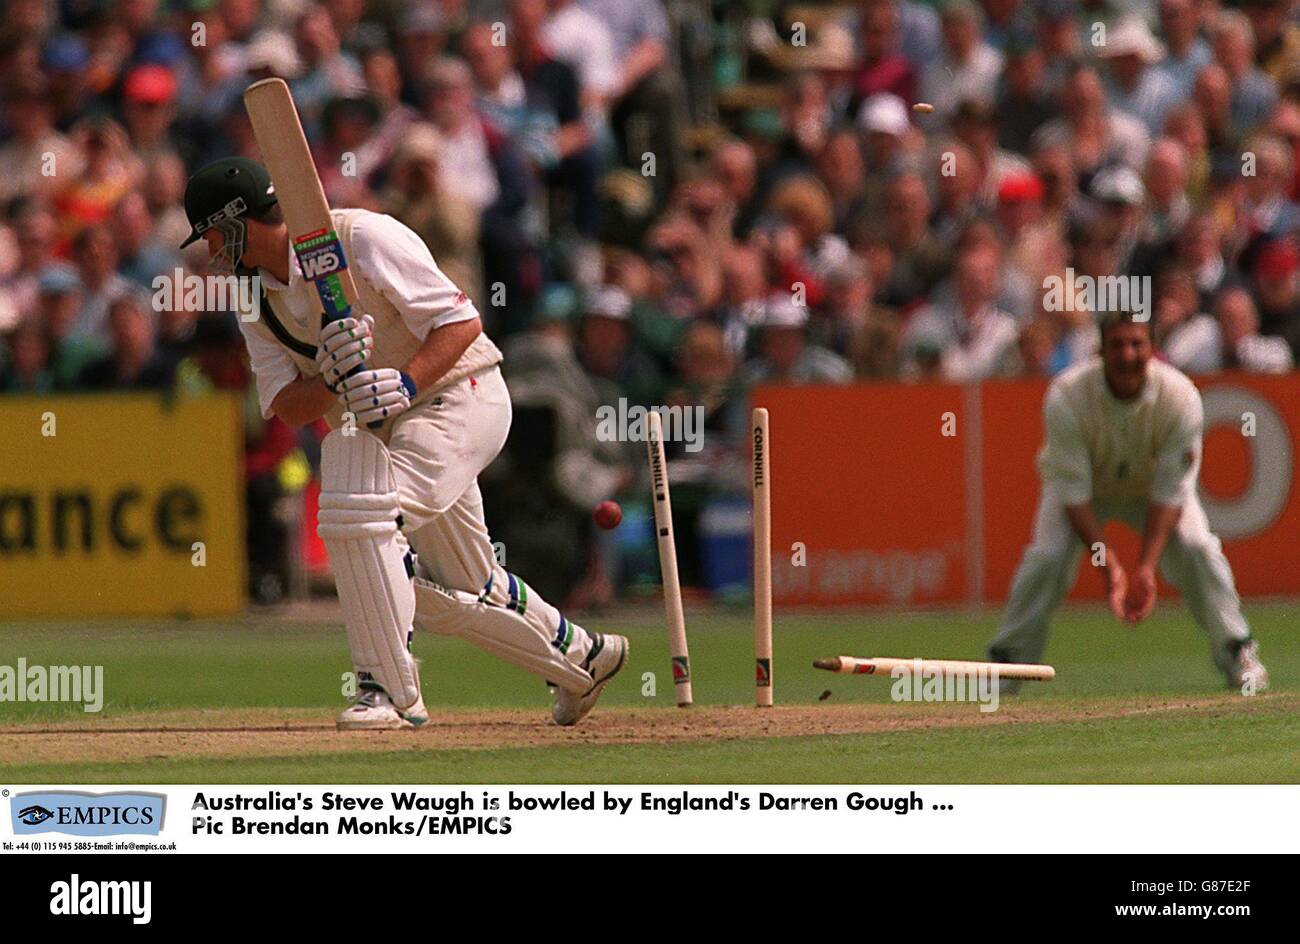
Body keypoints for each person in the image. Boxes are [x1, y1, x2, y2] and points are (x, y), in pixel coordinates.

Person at [179, 156, 628, 730]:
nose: (210, 250)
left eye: (213, 233)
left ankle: (387, 691)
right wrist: (331, 374)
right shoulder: (252, 298)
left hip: (459, 397)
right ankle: (583, 657)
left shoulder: (361, 236)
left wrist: (406, 379)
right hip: (387, 430)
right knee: (473, 582)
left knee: (364, 517)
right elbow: (288, 406)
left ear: (236, 221)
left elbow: (462, 322)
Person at [987, 311, 1269, 693]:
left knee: (1199, 548)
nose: (1127, 354)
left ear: (1152, 349)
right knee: (1047, 558)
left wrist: (1145, 570)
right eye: (1117, 344)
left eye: (1137, 343)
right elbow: (1073, 497)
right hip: (1088, 494)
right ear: (1100, 350)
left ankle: (1237, 650)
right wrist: (1110, 569)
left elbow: (1170, 496)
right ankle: (1009, 664)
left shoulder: (1180, 397)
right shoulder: (1067, 395)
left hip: (1149, 491)